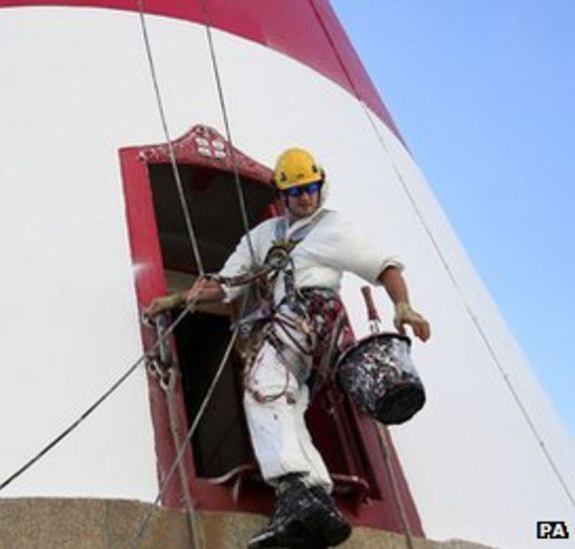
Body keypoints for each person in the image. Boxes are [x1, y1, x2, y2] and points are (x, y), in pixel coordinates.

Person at [145, 148, 430, 548]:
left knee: (264, 389)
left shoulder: (331, 228)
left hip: (311, 321)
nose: (305, 198)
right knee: (288, 402)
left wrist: (403, 304)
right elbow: (229, 284)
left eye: (310, 188)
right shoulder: (263, 237)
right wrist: (176, 300)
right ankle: (315, 497)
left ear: (320, 185)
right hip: (286, 323)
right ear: (283, 193)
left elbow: (383, 266)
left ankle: (293, 487)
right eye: (296, 191)